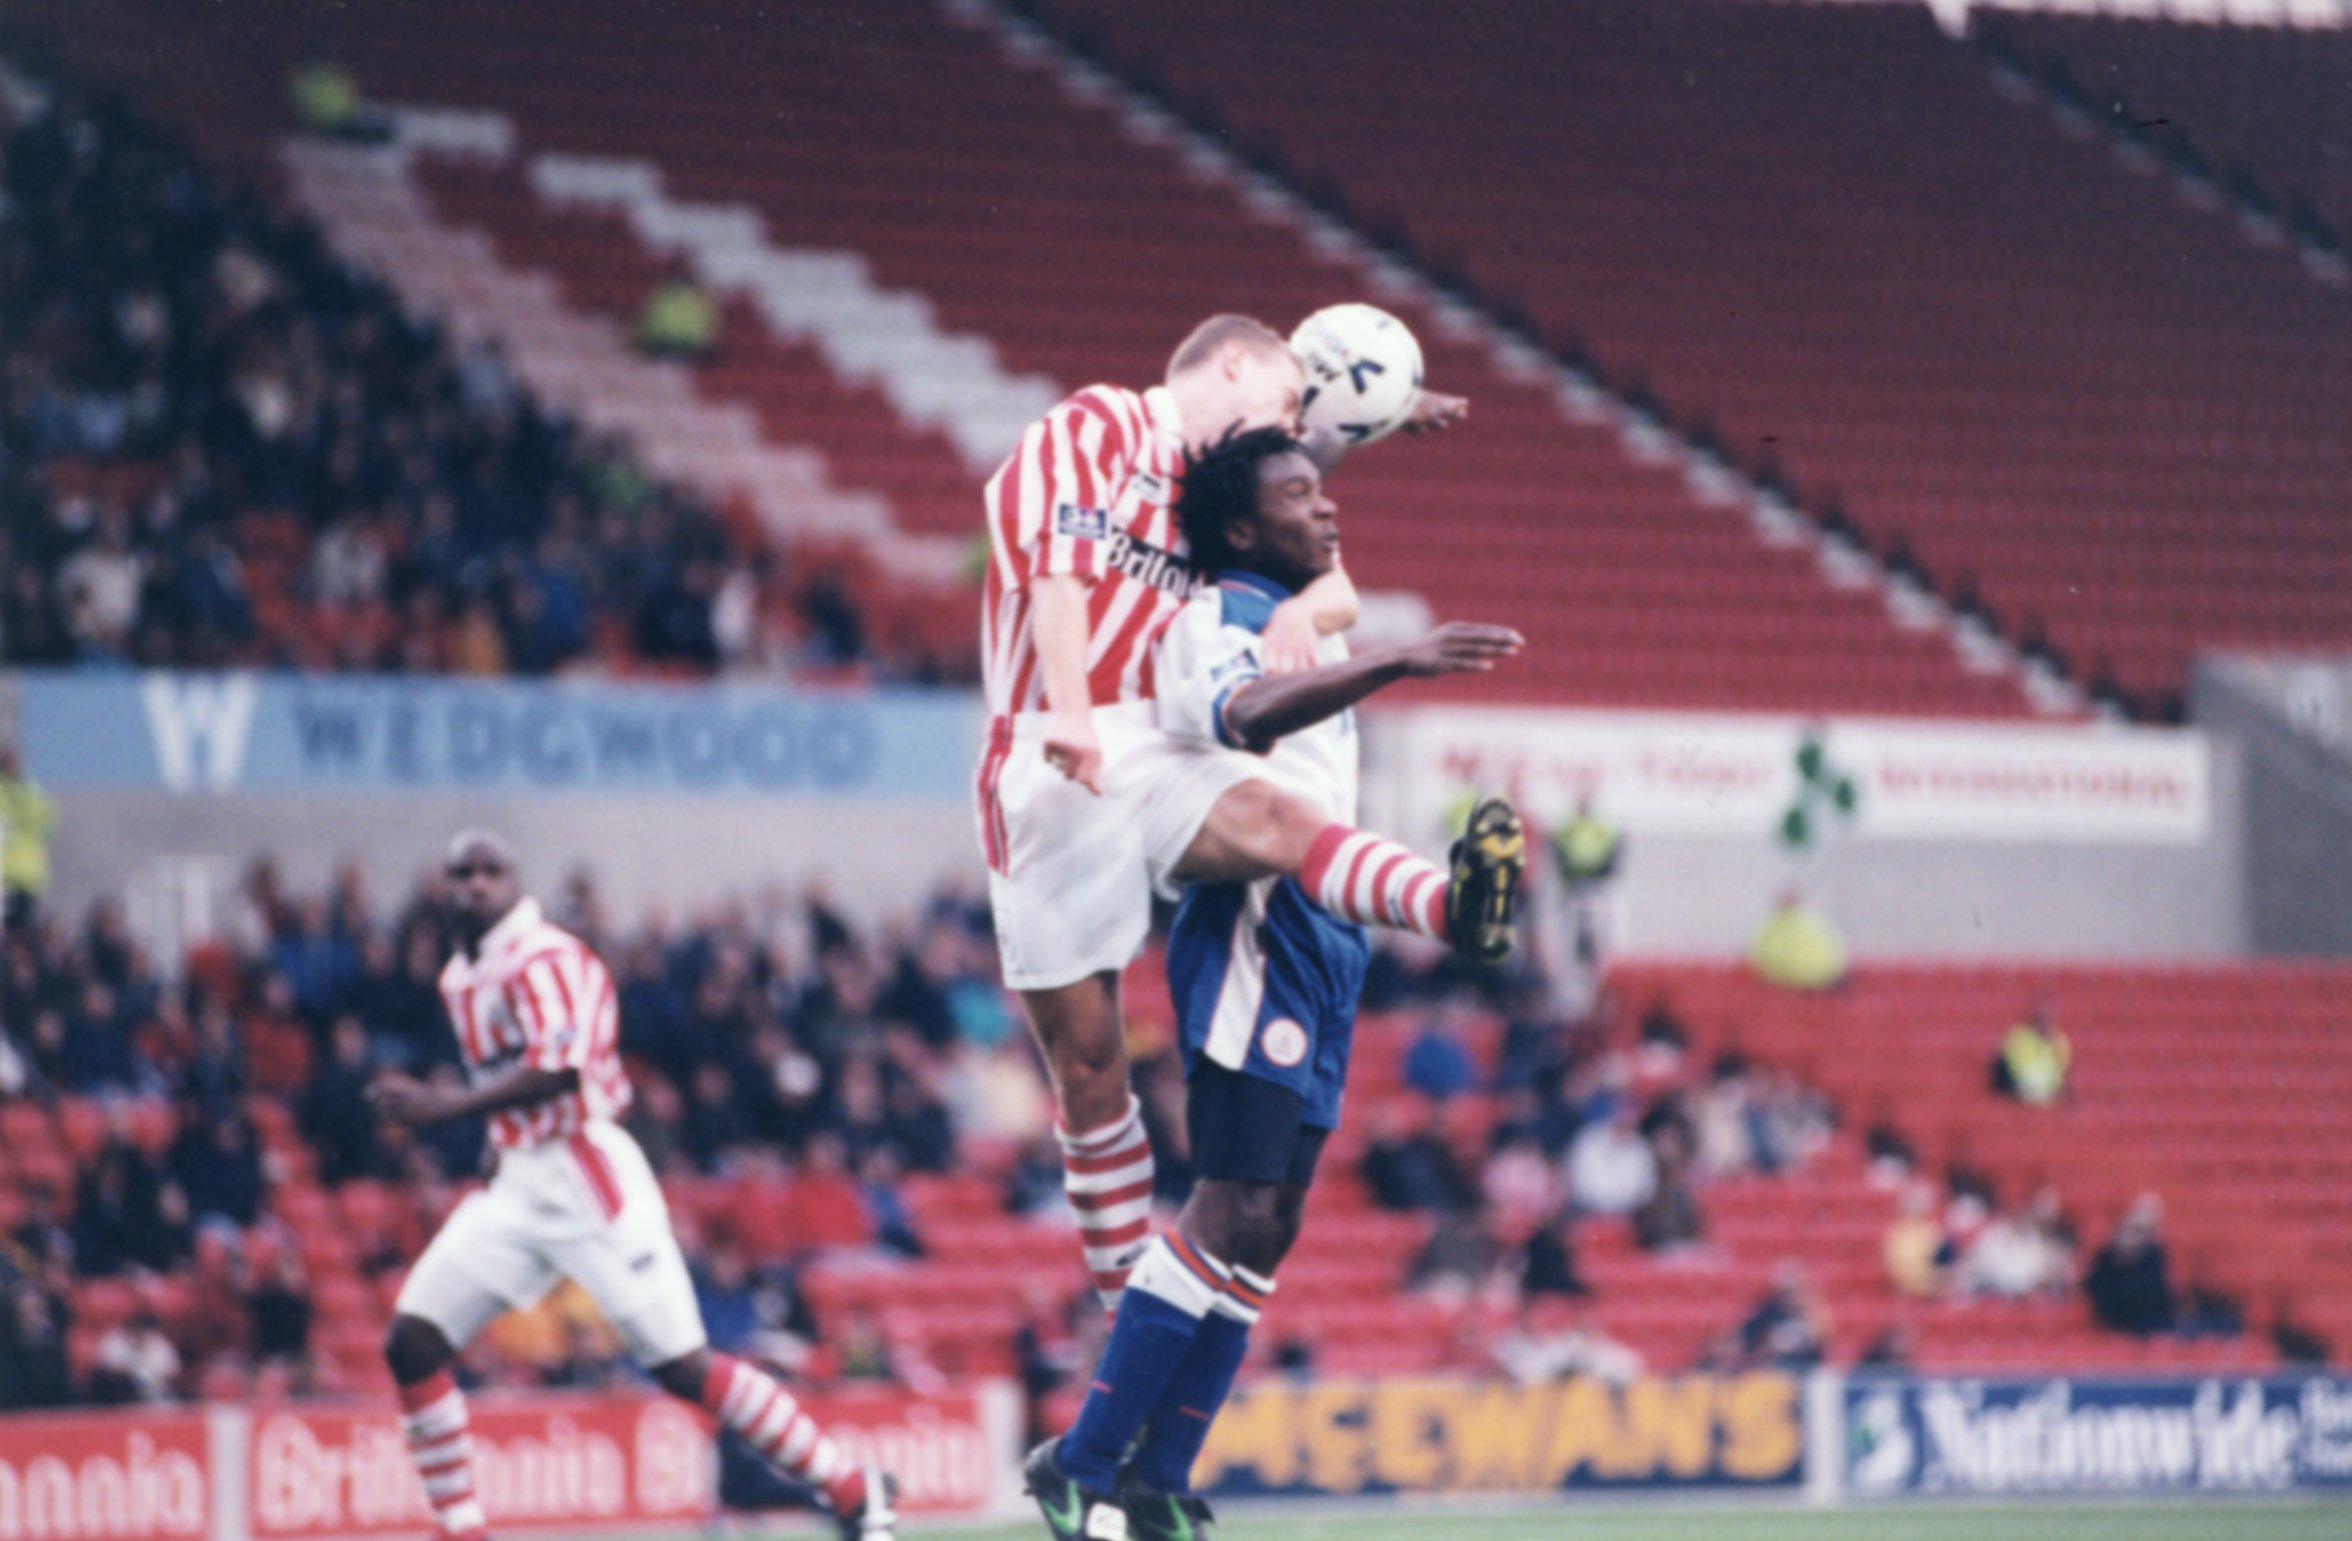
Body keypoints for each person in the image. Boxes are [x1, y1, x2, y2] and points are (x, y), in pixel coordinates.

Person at [1022, 428, 1521, 1541]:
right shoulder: (1214, 617)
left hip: (1328, 927)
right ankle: (1082, 1458)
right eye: (1300, 496)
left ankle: (1160, 1481)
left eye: (1322, 490)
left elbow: (1317, 576)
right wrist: (1396, 657)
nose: (1328, 509)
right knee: (1230, 1201)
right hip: (1258, 911)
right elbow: (1238, 718)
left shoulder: (1291, 613)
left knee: (1276, 1219)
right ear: (1242, 529)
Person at [976, 314, 1518, 1307]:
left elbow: (1325, 554)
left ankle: (1455, 909)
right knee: (1091, 1073)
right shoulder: (1095, 426)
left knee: (1280, 818)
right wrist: (1067, 711)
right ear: (1231, 366)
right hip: (1050, 753)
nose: (1293, 433)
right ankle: (1116, 1321)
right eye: (1282, 405)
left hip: (1158, 738)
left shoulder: (1216, 488)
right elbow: (1053, 572)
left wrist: (1374, 429)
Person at [365, 831, 897, 1541]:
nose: (477, 883)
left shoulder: (545, 955)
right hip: (521, 1181)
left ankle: (852, 1490)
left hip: (586, 1173)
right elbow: (515, 1075)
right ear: (444, 884)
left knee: (683, 1366)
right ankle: (460, 1528)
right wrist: (496, 1140)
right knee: (412, 1341)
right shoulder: (463, 975)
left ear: (517, 882)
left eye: (493, 869)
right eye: (463, 871)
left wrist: (442, 1107)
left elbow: (560, 1068)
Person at [0, 745, 58, 933]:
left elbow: (49, 817)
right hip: (8, 873)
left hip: (28, 873)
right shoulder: (23, 792)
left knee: (22, 931)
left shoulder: (30, 790)